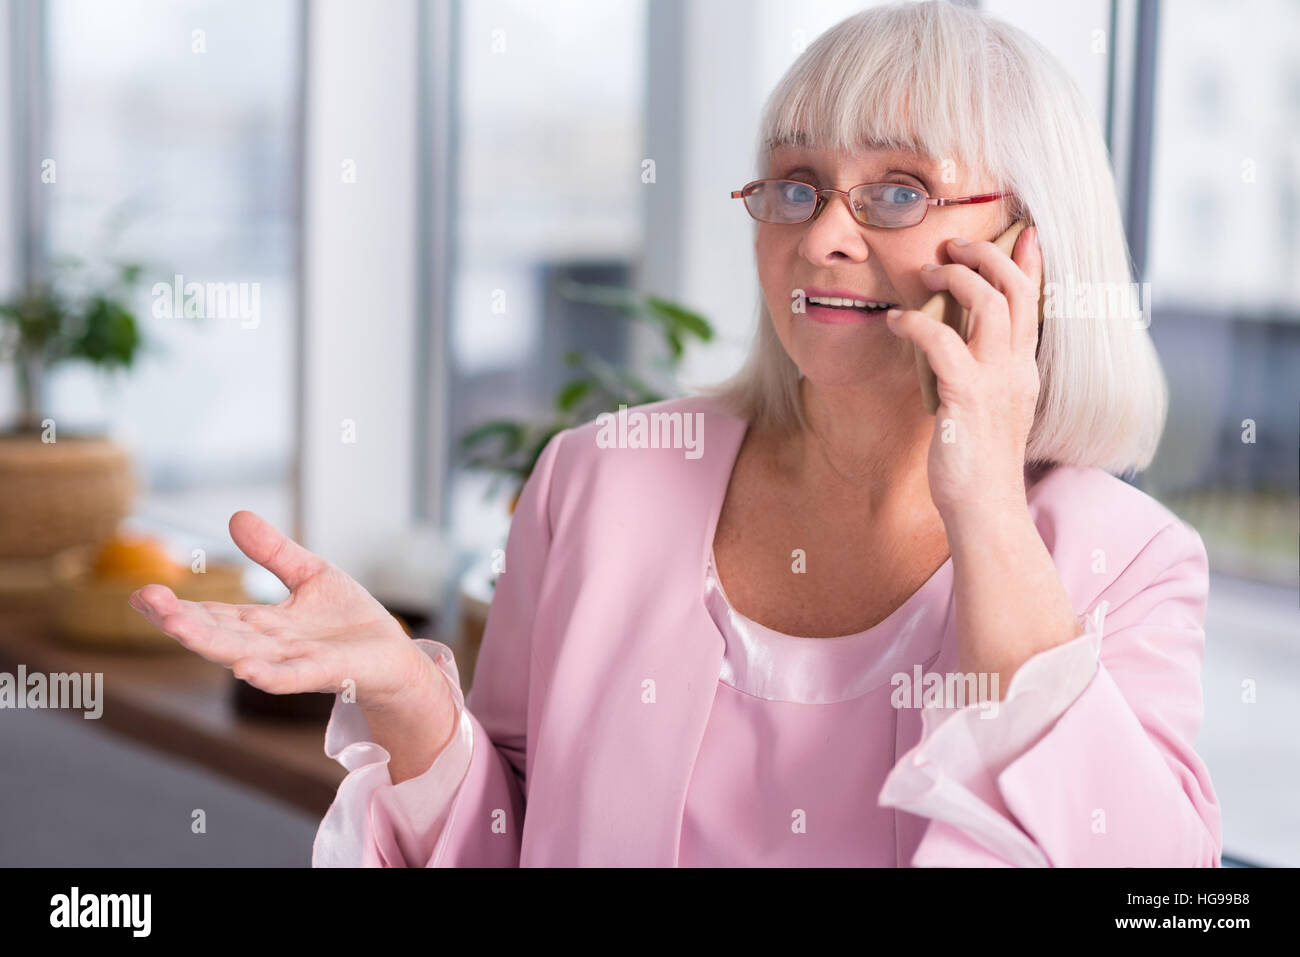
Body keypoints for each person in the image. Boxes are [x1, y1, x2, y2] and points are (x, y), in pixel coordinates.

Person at [129, 0, 1221, 867]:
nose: (824, 235)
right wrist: (414, 705)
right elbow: (502, 845)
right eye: (795, 184)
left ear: (1025, 248)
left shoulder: (1124, 561)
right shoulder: (599, 482)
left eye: (896, 190)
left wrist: (983, 506)